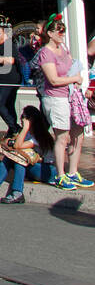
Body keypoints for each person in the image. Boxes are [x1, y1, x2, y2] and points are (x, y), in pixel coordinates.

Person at [37, 13, 94, 190]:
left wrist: (77, 77)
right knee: (62, 137)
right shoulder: (45, 53)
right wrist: (74, 78)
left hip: (71, 96)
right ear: (50, 33)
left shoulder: (65, 49)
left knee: (78, 133)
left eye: (63, 31)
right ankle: (60, 175)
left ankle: (73, 172)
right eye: (59, 31)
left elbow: (70, 68)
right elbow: (53, 79)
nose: (62, 34)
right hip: (55, 98)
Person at [0, 105, 58, 203]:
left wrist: (25, 128)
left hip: (46, 171)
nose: (21, 119)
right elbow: (8, 143)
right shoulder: (26, 134)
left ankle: (17, 193)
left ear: (31, 120)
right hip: (33, 167)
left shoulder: (39, 136)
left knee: (19, 159)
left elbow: (17, 146)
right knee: (8, 158)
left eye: (24, 117)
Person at [0, 25, 20, 134]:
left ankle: (15, 127)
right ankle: (12, 131)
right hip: (1, 79)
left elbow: (11, 60)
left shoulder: (9, 45)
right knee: (9, 105)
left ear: (5, 34)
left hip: (10, 80)